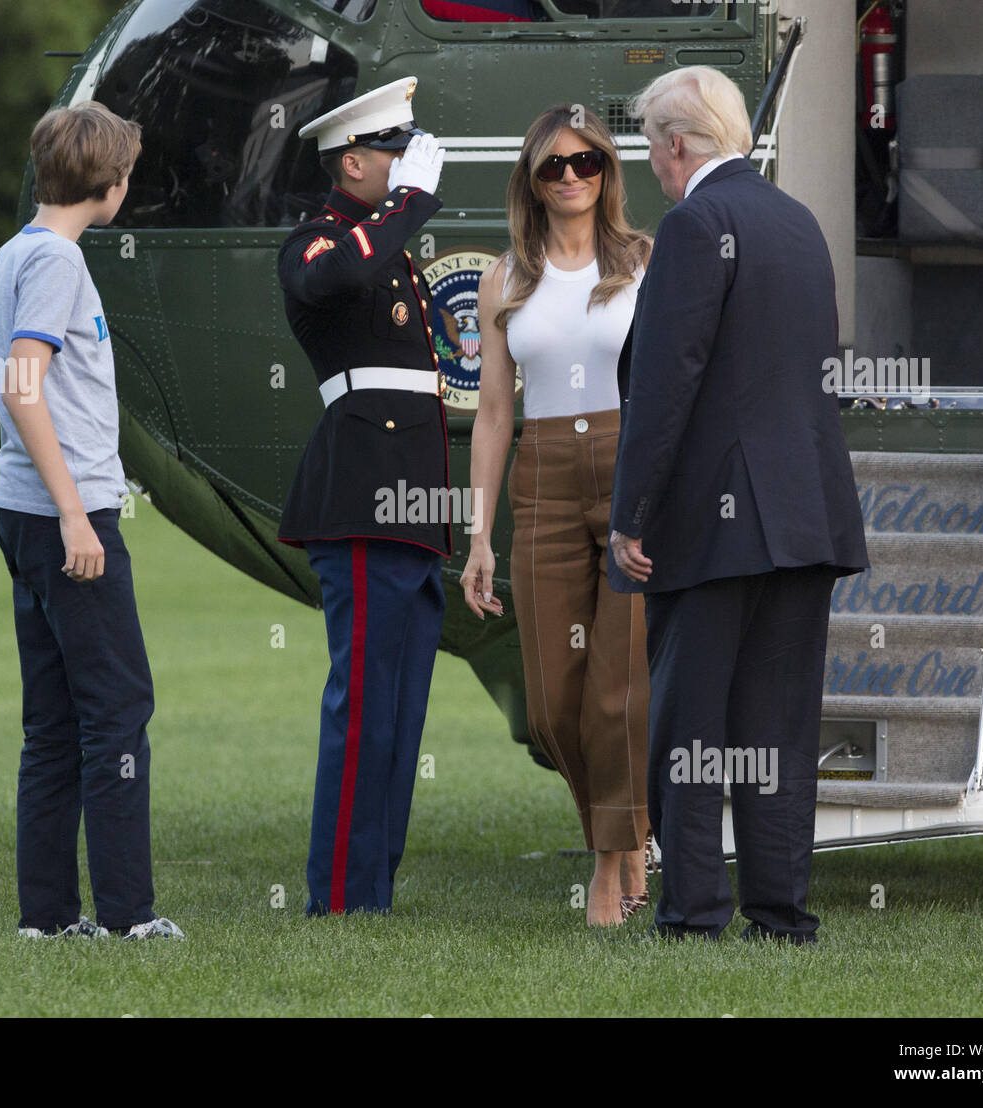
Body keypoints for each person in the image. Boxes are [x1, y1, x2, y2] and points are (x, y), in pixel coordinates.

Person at [608, 66, 869, 943]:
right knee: (780, 731)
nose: (650, 163)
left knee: (692, 729)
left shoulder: (694, 225)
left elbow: (665, 384)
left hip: (714, 522)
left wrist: (631, 514)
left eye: (650, 145)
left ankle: (690, 913)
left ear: (679, 143)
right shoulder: (798, 222)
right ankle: (782, 910)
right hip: (806, 518)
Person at [0, 101, 182, 941]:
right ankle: (130, 919)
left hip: (18, 508)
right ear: (112, 184)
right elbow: (21, 385)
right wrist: (75, 516)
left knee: (56, 720)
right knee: (117, 710)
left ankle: (49, 919)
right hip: (66, 515)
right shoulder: (57, 262)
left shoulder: (16, 251)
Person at [462, 105, 653, 927]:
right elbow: (494, 412)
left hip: (628, 474)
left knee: (615, 690)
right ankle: (630, 830)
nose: (572, 177)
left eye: (588, 163)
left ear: (608, 172)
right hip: (539, 480)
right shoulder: (504, 279)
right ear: (532, 182)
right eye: (555, 166)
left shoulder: (646, 263)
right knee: (550, 704)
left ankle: (610, 869)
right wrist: (477, 533)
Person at [277, 78, 449, 916]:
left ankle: (373, 887)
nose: (407, 161)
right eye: (394, 150)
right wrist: (411, 201)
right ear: (354, 161)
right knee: (364, 705)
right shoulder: (320, 240)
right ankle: (341, 897)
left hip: (413, 506)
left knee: (402, 711)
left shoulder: (390, 247)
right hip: (360, 496)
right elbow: (329, 281)